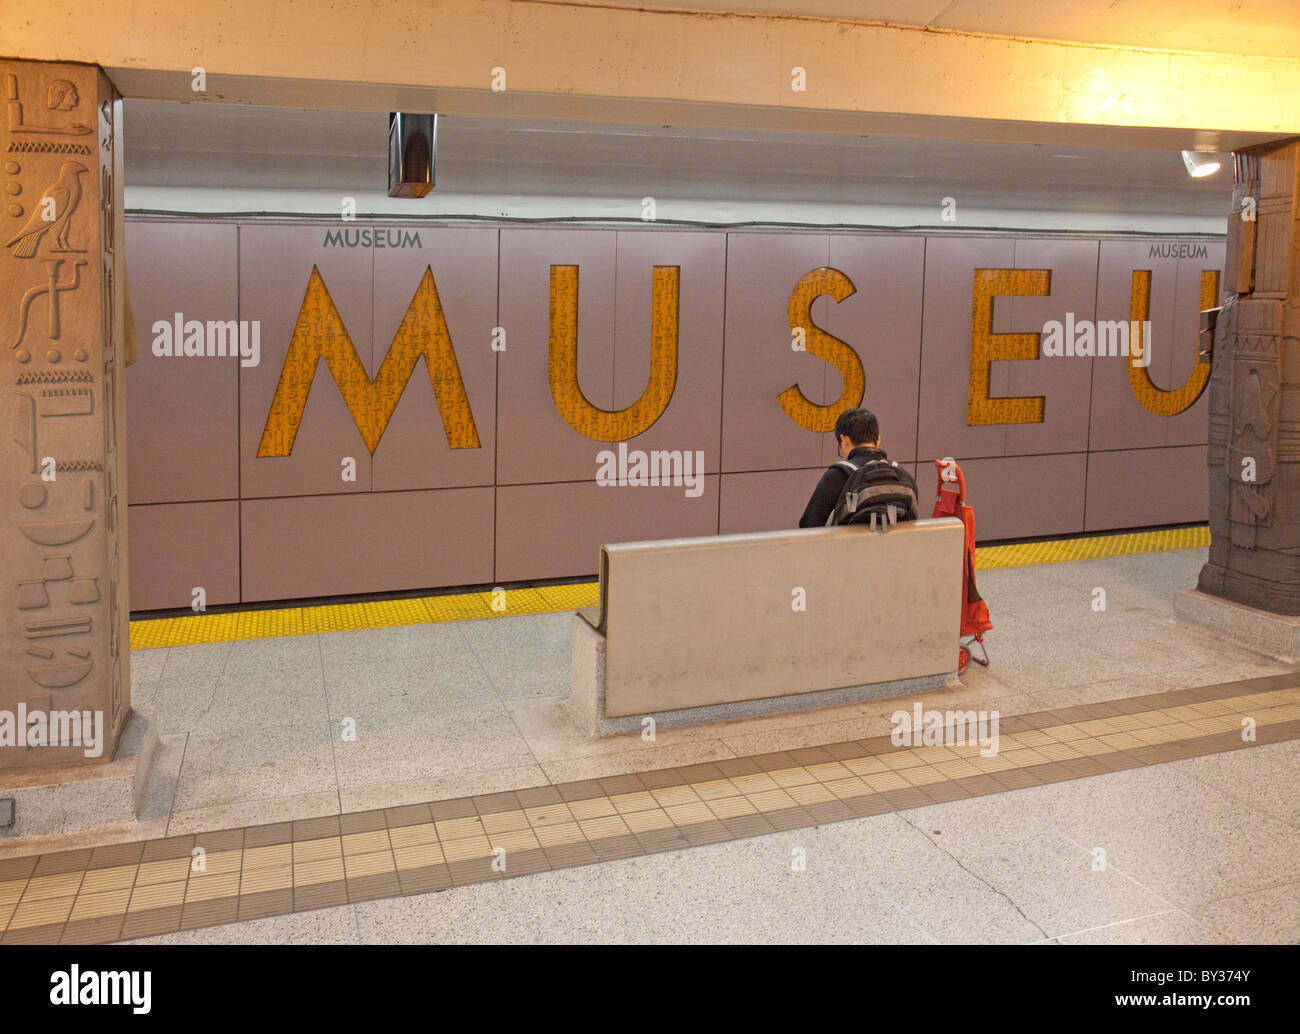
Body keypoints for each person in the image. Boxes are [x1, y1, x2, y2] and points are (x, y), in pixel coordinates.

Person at [798, 408, 914, 527]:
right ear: (878, 440)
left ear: (844, 441)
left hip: (849, 545)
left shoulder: (838, 475)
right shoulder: (903, 476)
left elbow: (809, 525)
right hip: (894, 545)